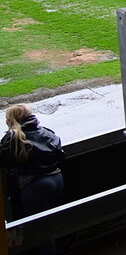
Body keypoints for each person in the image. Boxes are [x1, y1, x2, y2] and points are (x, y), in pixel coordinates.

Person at [1, 104, 64, 255]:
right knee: (47, 227)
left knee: (41, 232)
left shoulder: (13, 138)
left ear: (10, 121)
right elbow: (61, 154)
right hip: (57, 180)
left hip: (35, 187)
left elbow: (3, 159)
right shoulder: (47, 132)